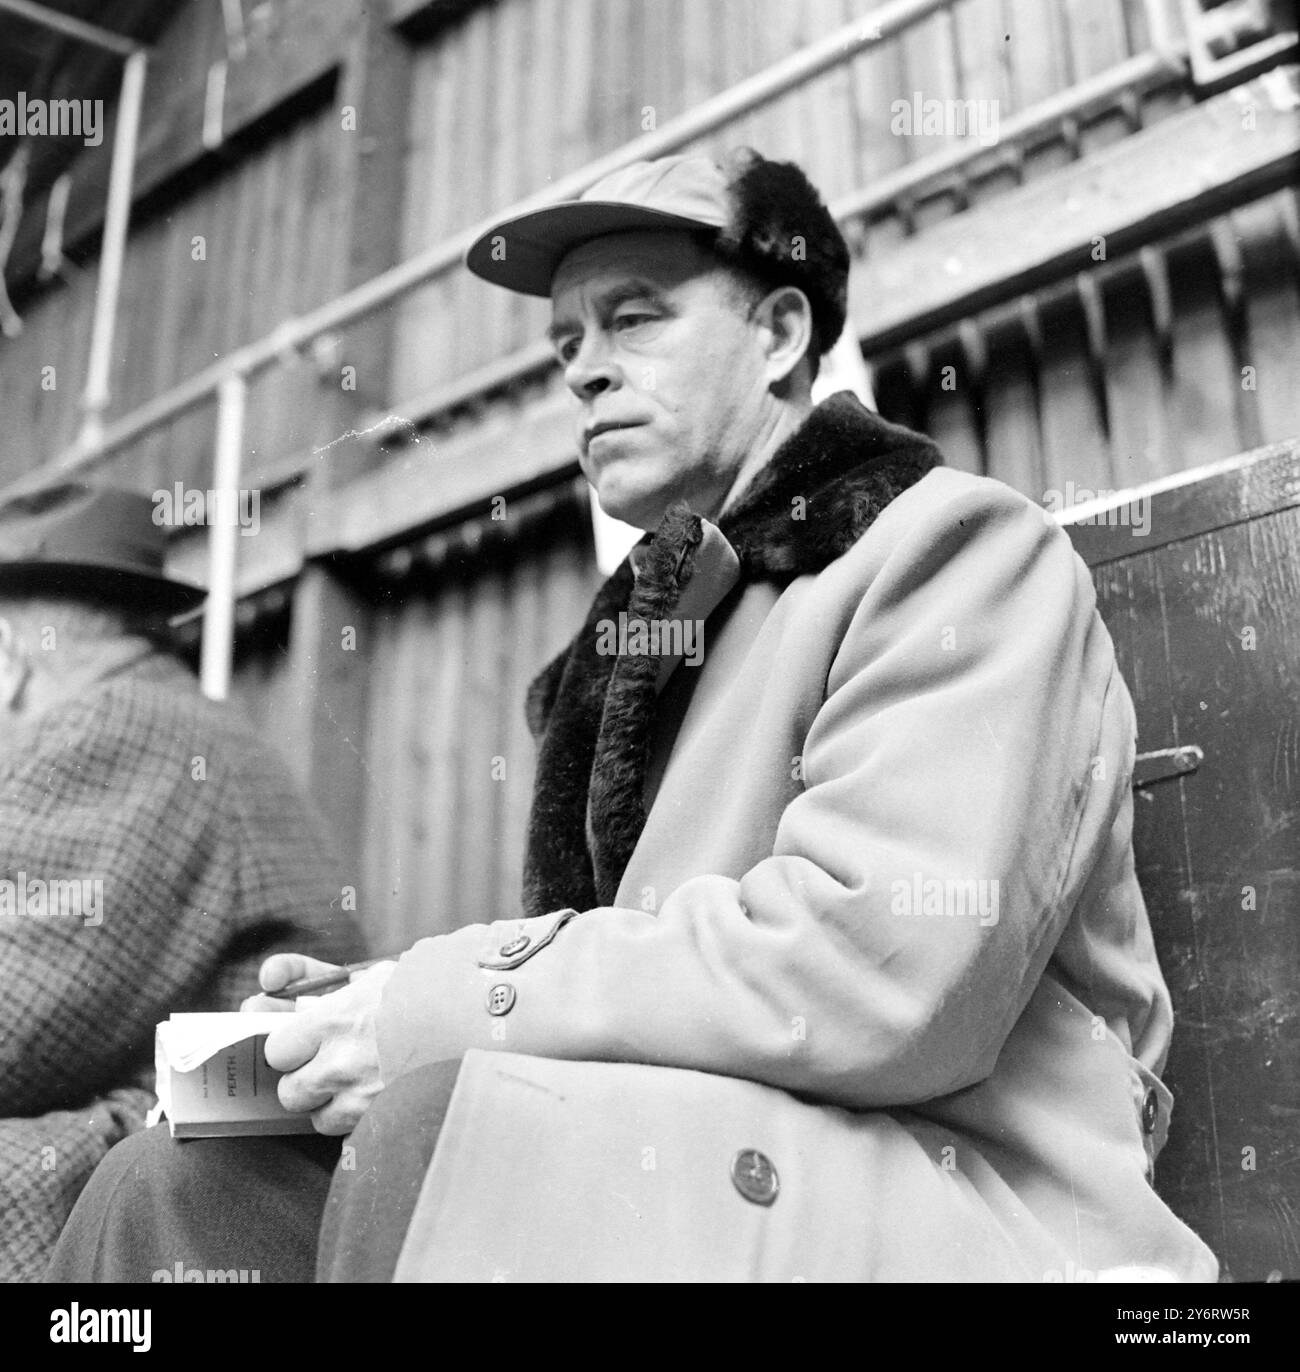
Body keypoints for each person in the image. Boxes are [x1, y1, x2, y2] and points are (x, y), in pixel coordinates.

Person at [49, 151, 1218, 1282]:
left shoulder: (953, 549)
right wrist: (373, 1005)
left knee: (444, 1134)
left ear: (780, 333)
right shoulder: (662, 632)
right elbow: (641, 982)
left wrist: (436, 1006)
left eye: (634, 319)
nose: (584, 372)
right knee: (175, 1181)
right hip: (717, 1159)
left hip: (969, 1199)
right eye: (566, 342)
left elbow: (879, 970)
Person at [0, 482, 360, 1281]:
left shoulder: (115, 728)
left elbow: (12, 1029)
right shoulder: (168, 717)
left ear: (8, 653)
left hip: (202, 1174)